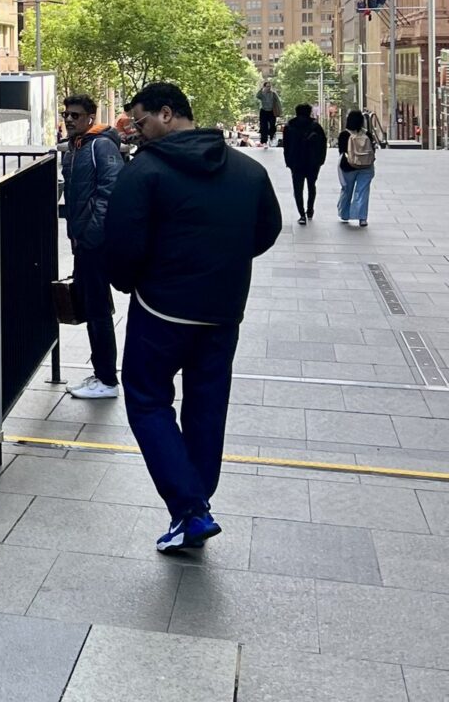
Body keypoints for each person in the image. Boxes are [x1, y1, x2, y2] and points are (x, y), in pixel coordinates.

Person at [105, 82, 282, 554]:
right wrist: (222, 261)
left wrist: (130, 282)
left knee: (146, 399)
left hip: (162, 310)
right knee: (207, 404)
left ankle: (190, 508)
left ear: (167, 114)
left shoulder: (145, 171)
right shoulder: (246, 170)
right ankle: (197, 504)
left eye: (140, 122)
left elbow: (122, 241)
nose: (136, 133)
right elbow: (267, 230)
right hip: (223, 311)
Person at [60, 93, 122, 400]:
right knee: (91, 306)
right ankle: (101, 373)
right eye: (66, 115)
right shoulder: (74, 148)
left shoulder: (100, 146)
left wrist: (91, 235)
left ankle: (107, 379)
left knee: (97, 309)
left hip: (93, 243)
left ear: (89, 118)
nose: (69, 119)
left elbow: (110, 192)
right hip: (83, 241)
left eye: (75, 115)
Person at [280, 103, 328, 225]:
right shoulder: (316, 126)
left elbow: (286, 146)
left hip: (296, 162)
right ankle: (310, 209)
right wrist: (320, 160)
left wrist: (288, 161)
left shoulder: (290, 127)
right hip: (312, 162)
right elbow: (323, 145)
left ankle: (301, 215)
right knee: (311, 186)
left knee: (298, 189)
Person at [337, 108, 381, 227]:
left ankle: (344, 214)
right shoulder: (367, 134)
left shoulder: (344, 135)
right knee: (363, 192)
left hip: (348, 167)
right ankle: (362, 218)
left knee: (347, 190)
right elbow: (372, 149)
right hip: (366, 167)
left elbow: (341, 151)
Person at [256, 80, 280, 148]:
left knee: (272, 125)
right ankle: (264, 141)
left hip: (271, 111)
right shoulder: (262, 93)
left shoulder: (273, 94)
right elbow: (257, 96)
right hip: (263, 111)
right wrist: (261, 89)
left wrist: (279, 111)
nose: (269, 88)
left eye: (269, 86)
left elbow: (278, 102)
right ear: (264, 87)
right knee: (264, 127)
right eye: (267, 86)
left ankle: (272, 136)